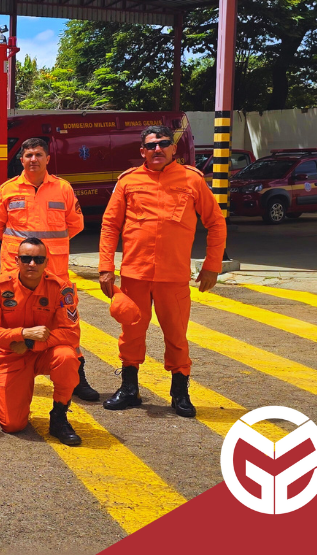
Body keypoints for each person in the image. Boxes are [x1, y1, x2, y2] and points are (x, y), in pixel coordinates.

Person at [99, 125, 227, 417]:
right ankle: (129, 389)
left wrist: (212, 266)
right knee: (131, 334)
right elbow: (109, 225)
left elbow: (216, 224)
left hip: (174, 277)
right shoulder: (128, 181)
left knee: (176, 336)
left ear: (173, 149)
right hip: (135, 275)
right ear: (142, 151)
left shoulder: (192, 180)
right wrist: (106, 267)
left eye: (163, 144)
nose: (158, 149)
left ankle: (179, 393)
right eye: (151, 145)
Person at [0, 137, 99, 403]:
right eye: (28, 155)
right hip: (14, 272)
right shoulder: (8, 189)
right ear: (21, 159)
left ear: (48, 159)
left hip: (55, 272)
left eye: (38, 154)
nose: (33, 159)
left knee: (65, 322)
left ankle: (76, 375)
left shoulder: (63, 189)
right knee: (7, 320)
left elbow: (75, 225)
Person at [0, 237, 83, 446]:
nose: (32, 264)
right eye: (26, 259)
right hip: (12, 355)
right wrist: (23, 333)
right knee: (12, 425)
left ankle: (59, 416)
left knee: (68, 357)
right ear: (17, 260)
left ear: (46, 262)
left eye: (38, 259)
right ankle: (6, 392)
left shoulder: (61, 288)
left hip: (45, 352)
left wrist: (30, 343)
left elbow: (71, 334)